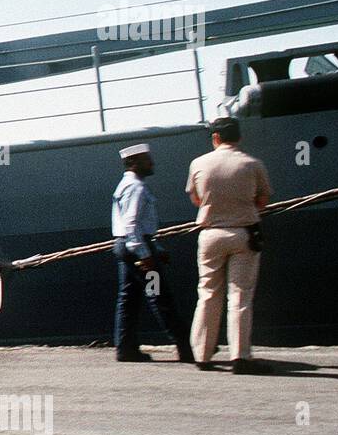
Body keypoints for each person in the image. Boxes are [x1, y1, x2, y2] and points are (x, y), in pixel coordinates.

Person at [186, 117, 272, 373]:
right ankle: (240, 356)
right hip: (243, 234)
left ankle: (202, 354)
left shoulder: (198, 163)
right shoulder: (252, 164)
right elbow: (263, 200)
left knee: (208, 293)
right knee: (240, 295)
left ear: (215, 138)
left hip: (210, 234)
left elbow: (196, 199)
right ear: (239, 138)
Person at [110, 144, 194, 363]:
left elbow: (134, 227)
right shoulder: (135, 187)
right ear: (134, 163)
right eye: (148, 160)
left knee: (128, 298)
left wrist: (156, 249)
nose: (152, 163)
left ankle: (125, 348)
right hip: (136, 250)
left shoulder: (127, 185)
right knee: (159, 296)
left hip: (128, 247)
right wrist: (146, 255)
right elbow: (132, 224)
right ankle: (187, 347)